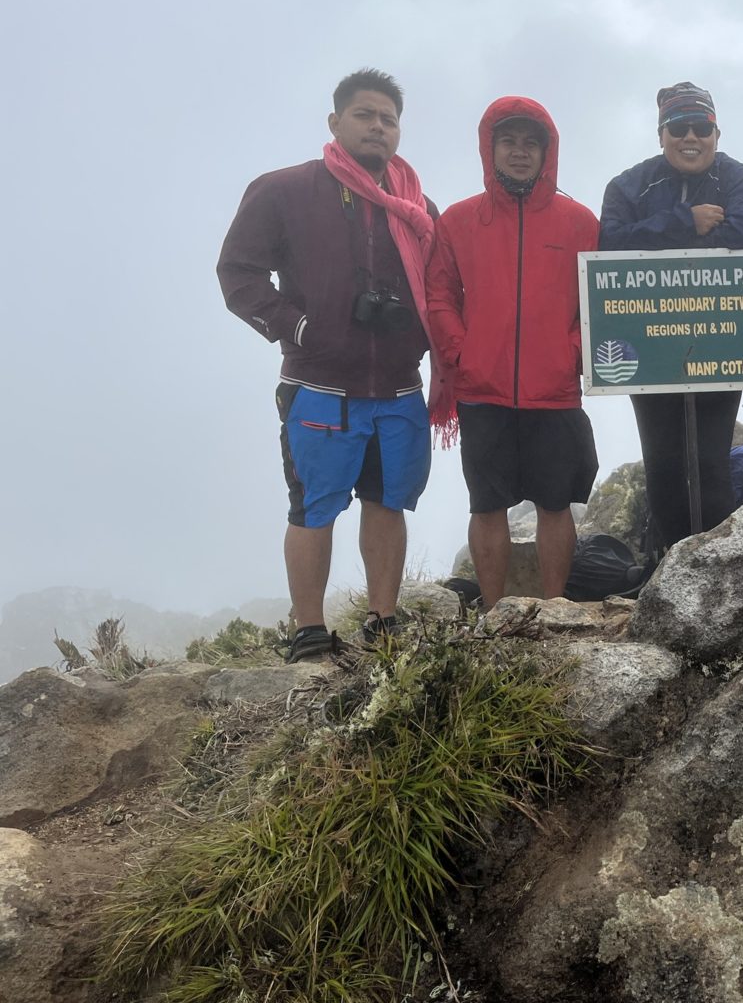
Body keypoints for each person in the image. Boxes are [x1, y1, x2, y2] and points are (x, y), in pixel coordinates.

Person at [218, 69, 444, 661]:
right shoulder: (285, 190)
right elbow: (238, 274)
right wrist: (298, 328)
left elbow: (440, 289)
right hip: (319, 385)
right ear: (335, 122)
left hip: (397, 388)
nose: (378, 127)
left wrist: (423, 342)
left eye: (388, 119)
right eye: (365, 115)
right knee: (314, 507)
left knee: (387, 501)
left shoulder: (418, 206)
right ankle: (310, 631)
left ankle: (384, 619)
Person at [425, 98, 600, 606]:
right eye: (509, 141)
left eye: (531, 142)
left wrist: (571, 353)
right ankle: (493, 612)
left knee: (555, 504)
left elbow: (599, 302)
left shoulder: (580, 223)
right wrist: (463, 353)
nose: (520, 152)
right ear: (490, 148)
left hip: (556, 390)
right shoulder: (458, 222)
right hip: (484, 389)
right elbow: (440, 295)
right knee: (486, 505)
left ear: (548, 151)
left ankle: (553, 610)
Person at [598, 81, 743, 552]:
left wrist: (656, 240)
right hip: (648, 348)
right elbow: (609, 245)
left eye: (702, 127)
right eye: (679, 127)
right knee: (663, 462)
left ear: (716, 133)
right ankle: (663, 569)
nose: (690, 137)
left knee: (712, 462)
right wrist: (685, 221)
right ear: (661, 133)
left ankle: (718, 572)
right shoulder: (628, 185)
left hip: (718, 344)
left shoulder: (736, 177)